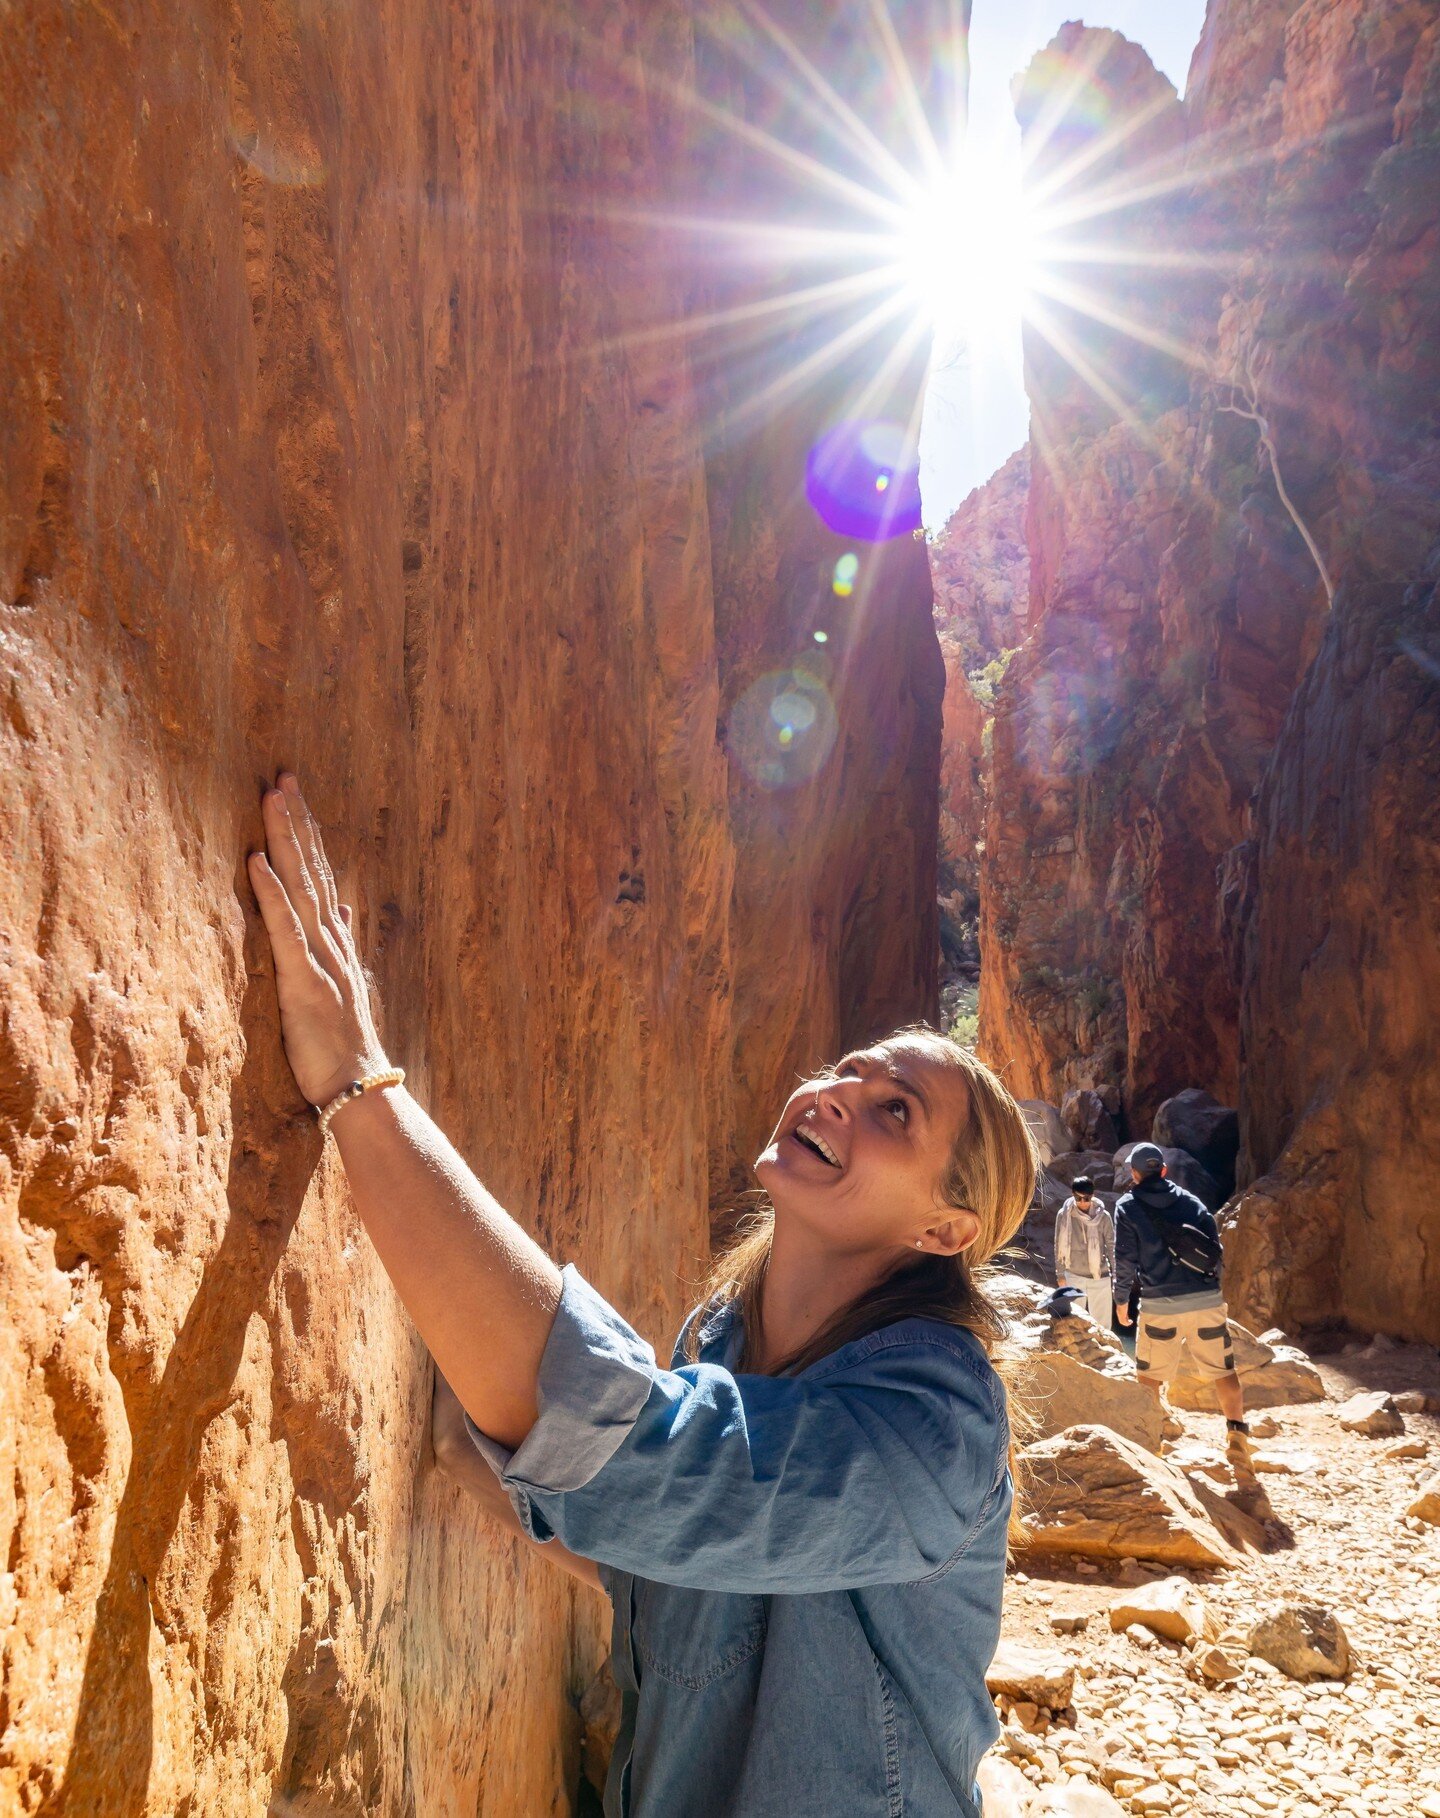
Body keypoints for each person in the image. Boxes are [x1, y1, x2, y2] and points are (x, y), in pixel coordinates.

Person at [247, 774, 1040, 1818]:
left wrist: (355, 1078)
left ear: (946, 1232)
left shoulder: (935, 1425)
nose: (840, 1094)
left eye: (895, 1112)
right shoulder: (721, 1336)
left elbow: (675, 1474)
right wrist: (501, 1472)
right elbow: (688, 1556)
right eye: (850, 1071)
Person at [1112, 1142, 1254, 1483]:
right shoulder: (1192, 1202)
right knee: (1224, 1371)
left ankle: (1152, 1445)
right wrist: (1210, 1293)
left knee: (1149, 1379)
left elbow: (1125, 1260)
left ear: (1134, 1173)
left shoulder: (1127, 1206)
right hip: (1206, 1301)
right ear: (1163, 1171)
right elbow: (1216, 1251)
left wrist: (1120, 1303)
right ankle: (1237, 1438)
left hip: (1161, 1306)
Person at [1052, 1175, 1114, 1328]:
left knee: (1103, 1326)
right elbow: (1058, 1245)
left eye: (1086, 1198)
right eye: (1078, 1198)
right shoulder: (1064, 1215)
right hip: (1073, 1275)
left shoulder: (1103, 1217)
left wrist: (1118, 1277)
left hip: (1100, 1276)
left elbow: (1112, 1246)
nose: (1082, 1202)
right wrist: (1060, 1274)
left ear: (1092, 1196)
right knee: (1073, 1323)